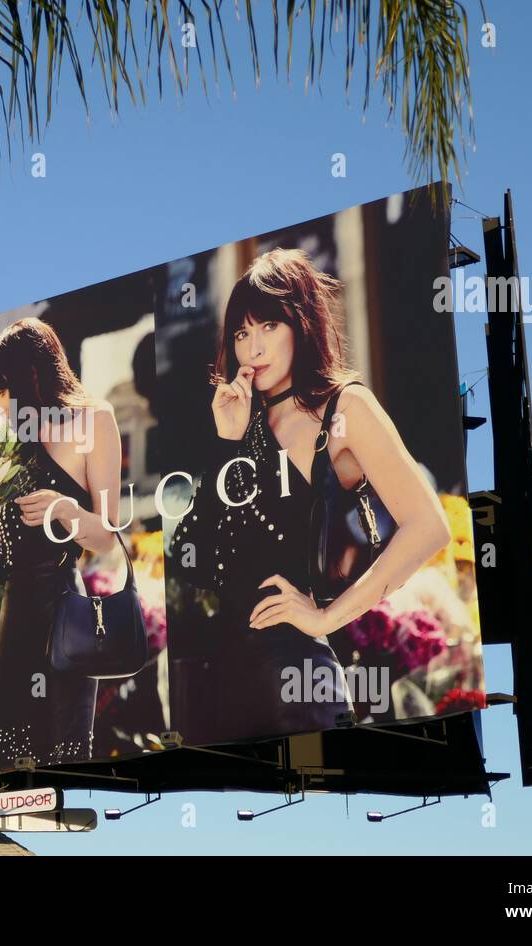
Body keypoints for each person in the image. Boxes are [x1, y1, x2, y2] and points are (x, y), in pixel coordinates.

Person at [170, 248, 451, 744]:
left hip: (298, 677)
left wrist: (328, 615)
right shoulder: (241, 419)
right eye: (241, 333)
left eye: (268, 327)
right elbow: (193, 558)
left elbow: (429, 527)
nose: (253, 348)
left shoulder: (346, 407)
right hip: (219, 681)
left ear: (301, 324)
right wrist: (226, 445)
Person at [0, 317, 123, 770]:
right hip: (13, 625)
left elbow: (107, 538)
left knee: (63, 759)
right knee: (11, 770)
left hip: (65, 617)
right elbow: (3, 561)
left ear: (30, 377)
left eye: (3, 390)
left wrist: (66, 509)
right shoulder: (9, 444)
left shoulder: (95, 420)